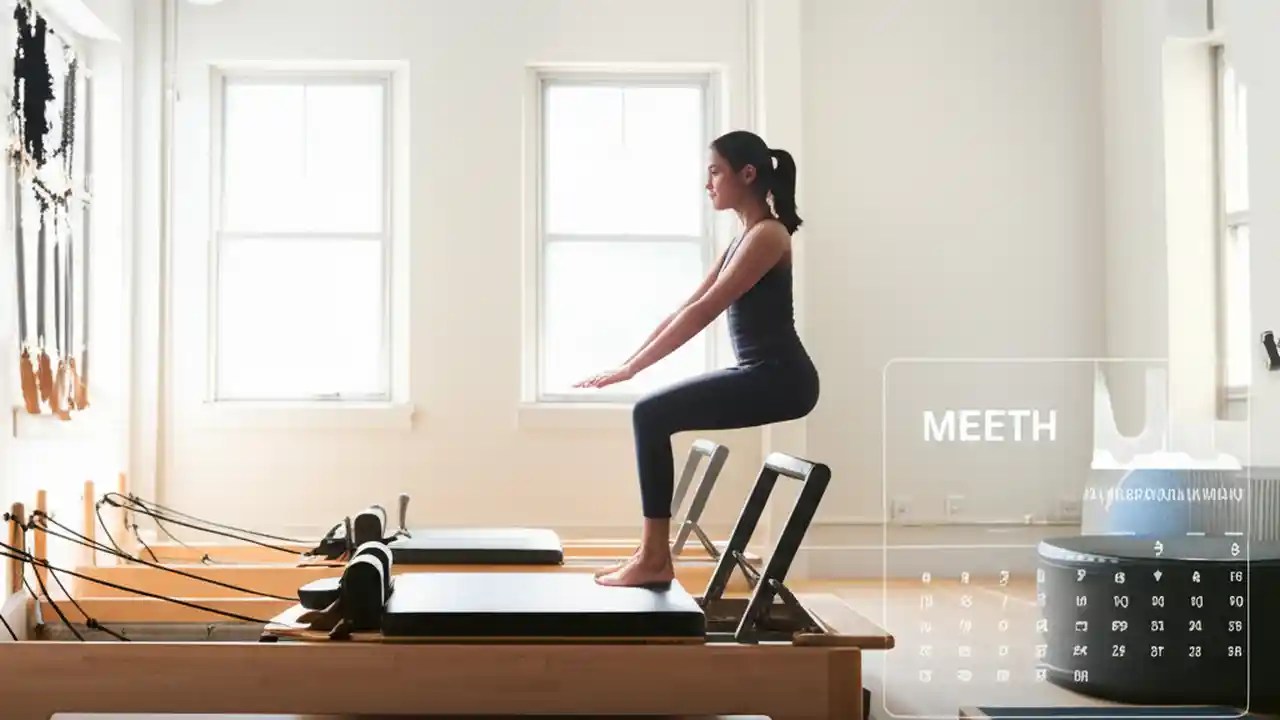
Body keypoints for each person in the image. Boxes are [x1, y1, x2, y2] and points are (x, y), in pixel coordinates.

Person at [574, 129, 820, 588]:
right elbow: (687, 306)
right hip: (764, 373)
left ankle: (653, 558)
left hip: (782, 378)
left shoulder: (769, 235)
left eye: (715, 173)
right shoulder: (744, 237)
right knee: (651, 413)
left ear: (746, 174)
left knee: (650, 414)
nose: (708, 184)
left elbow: (706, 313)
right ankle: (650, 554)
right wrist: (627, 364)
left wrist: (633, 370)